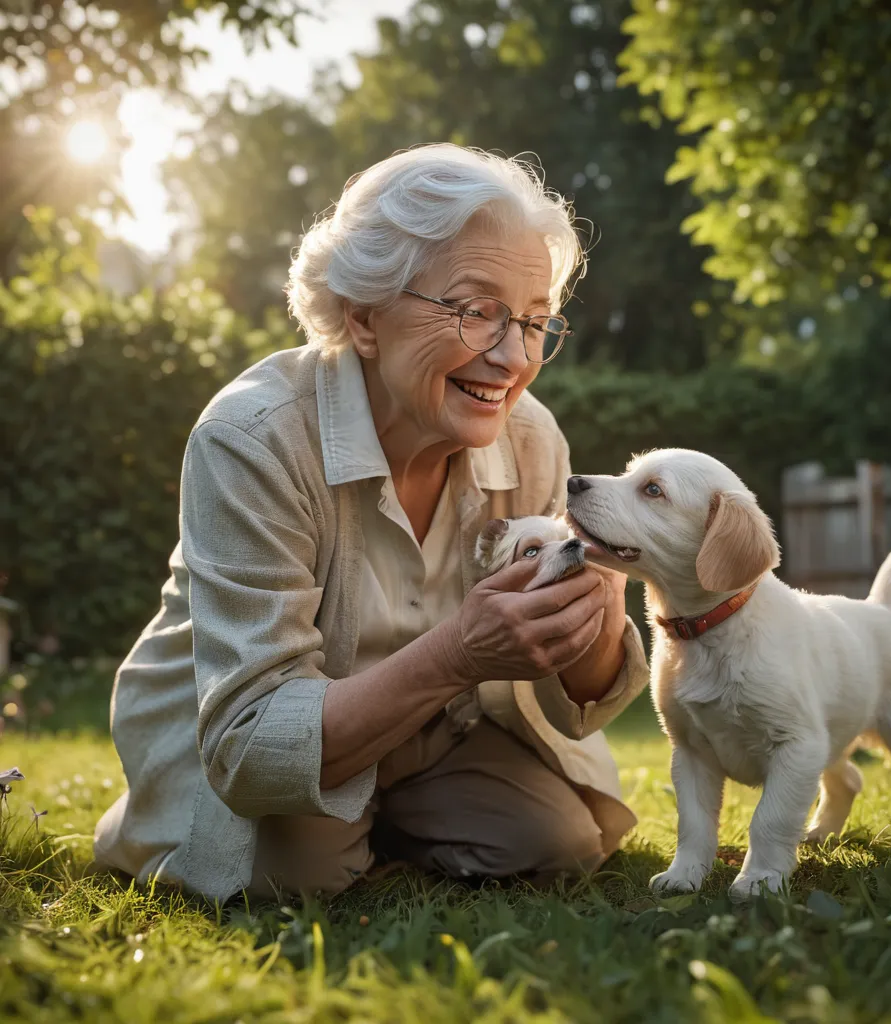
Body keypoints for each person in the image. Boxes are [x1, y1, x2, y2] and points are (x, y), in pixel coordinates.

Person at [93, 144, 649, 901]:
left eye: (534, 321)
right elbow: (254, 741)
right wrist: (458, 653)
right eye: (478, 310)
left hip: (436, 736)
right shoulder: (254, 437)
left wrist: (590, 620)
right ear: (363, 317)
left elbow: (575, 699)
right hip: (249, 735)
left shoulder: (532, 439)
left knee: (554, 843)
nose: (513, 358)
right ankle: (161, 815)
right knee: (287, 880)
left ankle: (382, 816)